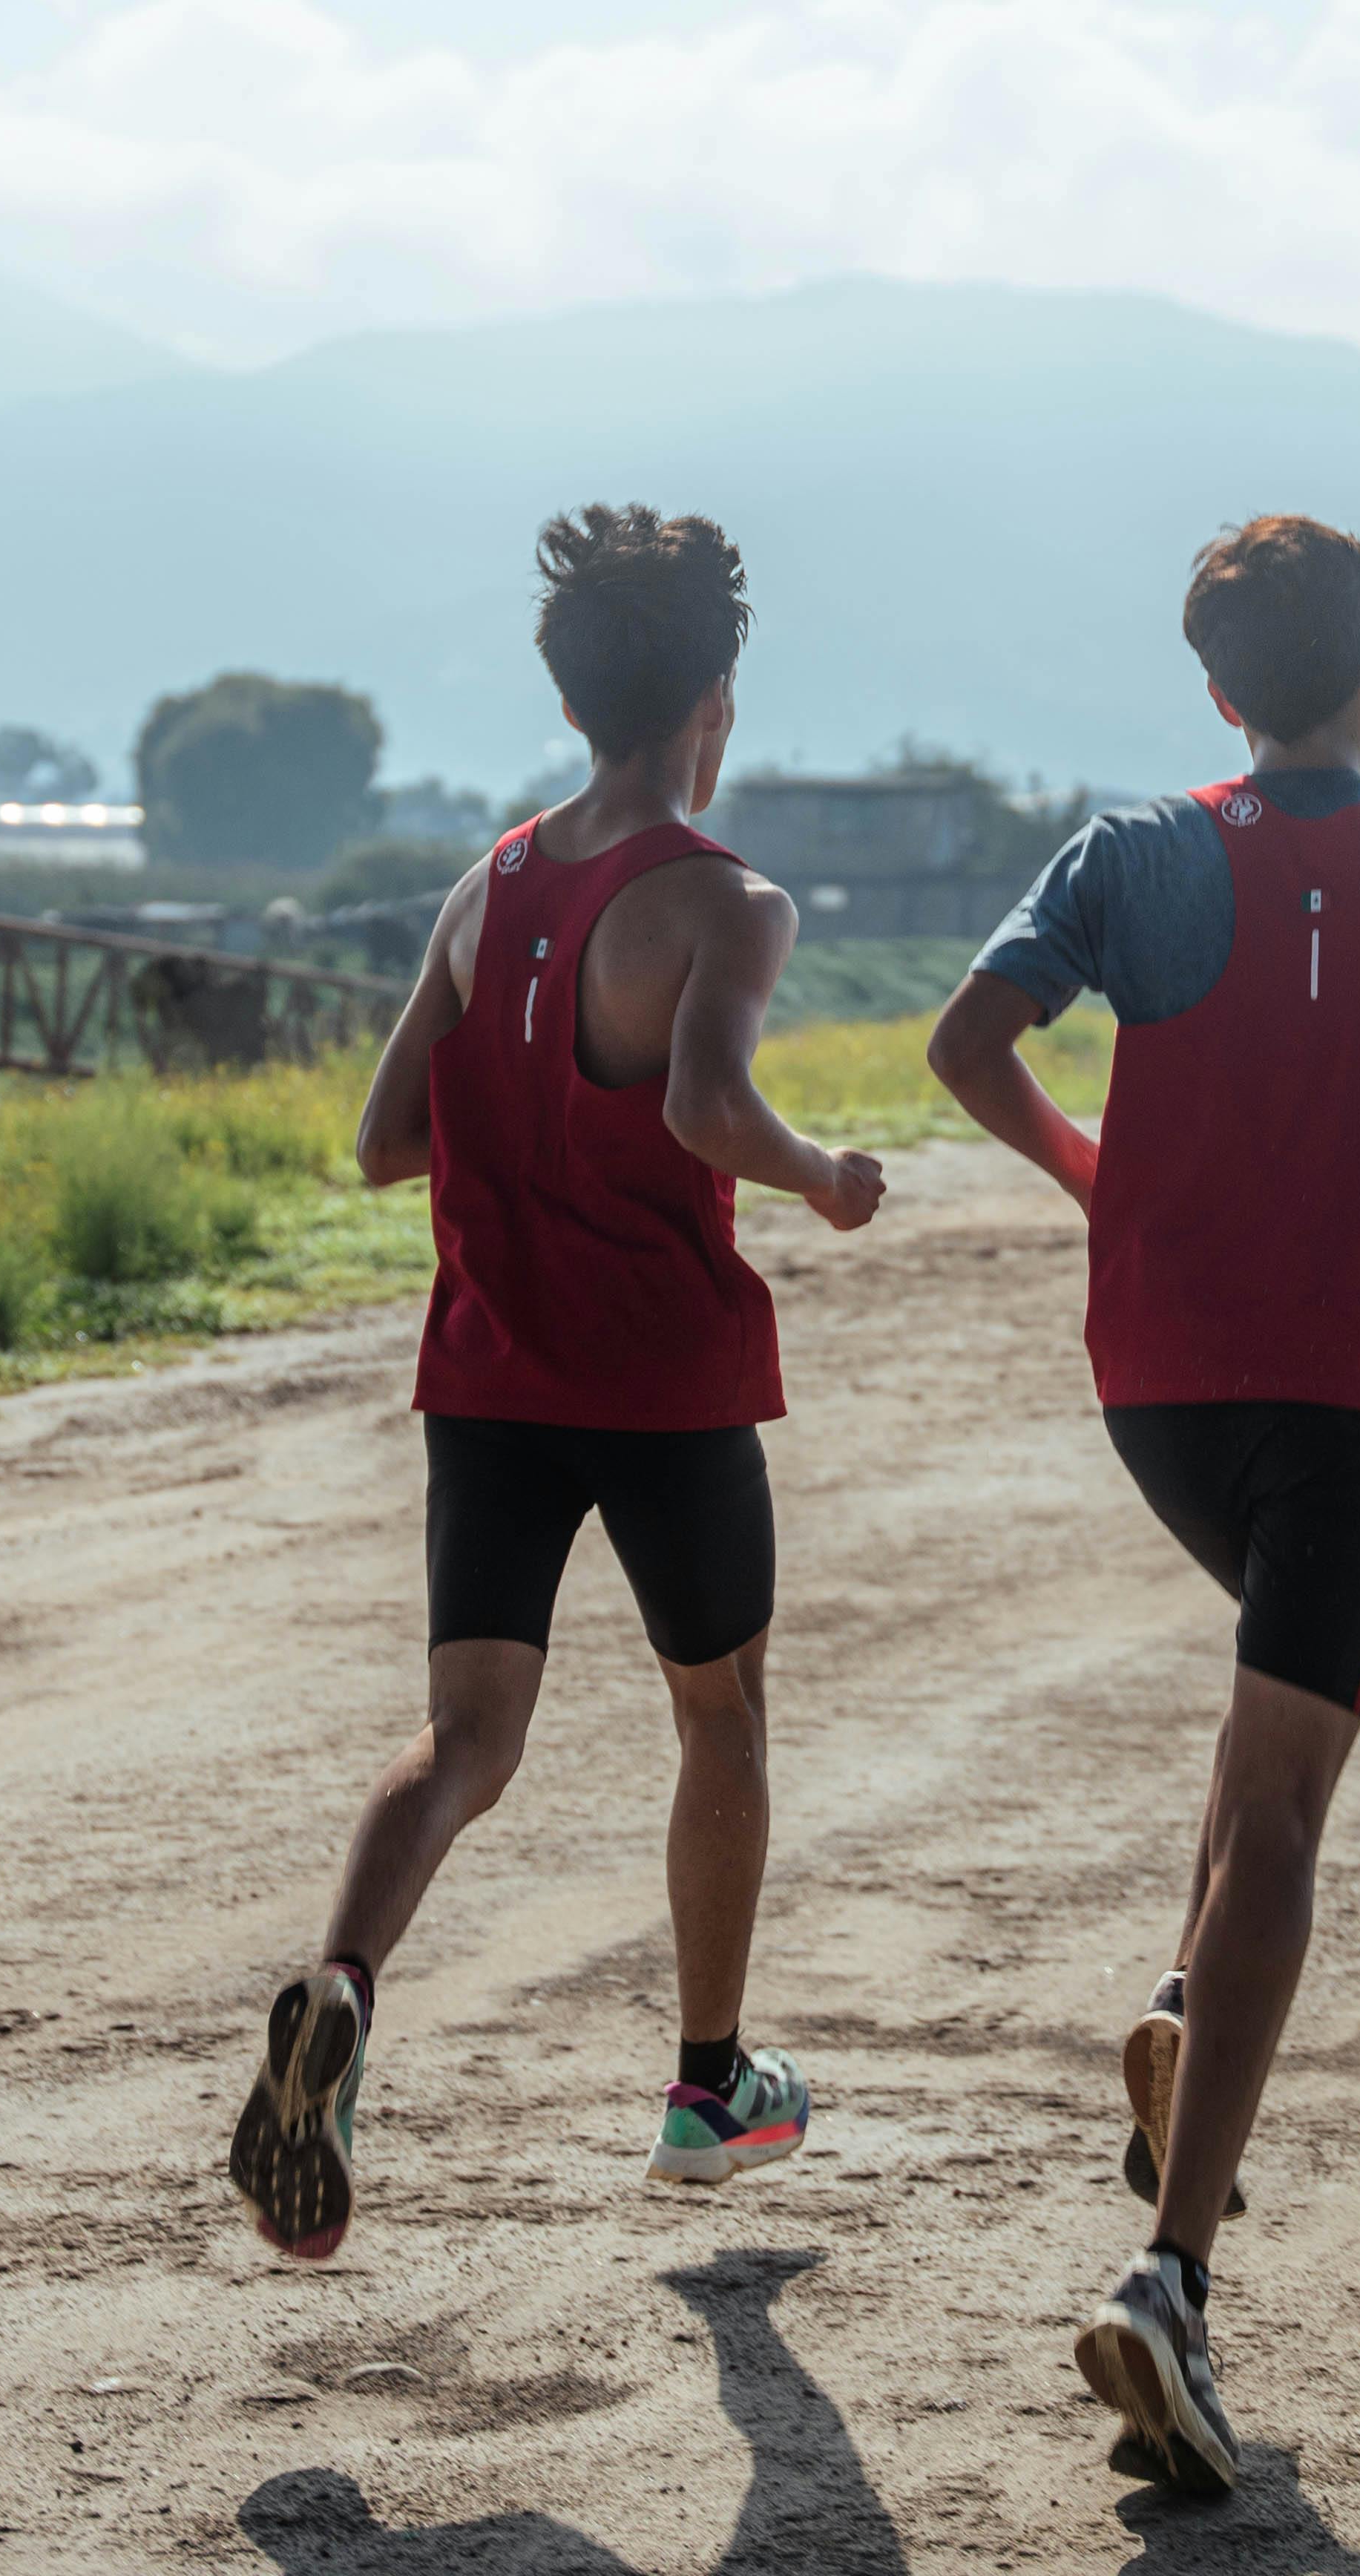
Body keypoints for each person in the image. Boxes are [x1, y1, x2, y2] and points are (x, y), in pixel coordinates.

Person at [924, 513, 1360, 2495]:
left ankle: (1188, 2001)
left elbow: (966, 1044)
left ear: (1217, 692)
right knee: (1286, 1796)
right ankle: (1171, 2282)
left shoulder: (1127, 857)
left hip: (1162, 1394)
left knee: (1262, 1706)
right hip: (1355, 1400)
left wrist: (1090, 1168)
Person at [229, 504, 887, 2264]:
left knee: (463, 1743)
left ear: (572, 688)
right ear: (715, 702)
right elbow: (700, 1105)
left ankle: (341, 1982)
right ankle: (708, 2081)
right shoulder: (726, 902)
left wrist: (514, 1099)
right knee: (721, 1709)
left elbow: (381, 1141)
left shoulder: (488, 883)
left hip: (492, 1381)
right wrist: (819, 1170)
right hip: (666, 1385)